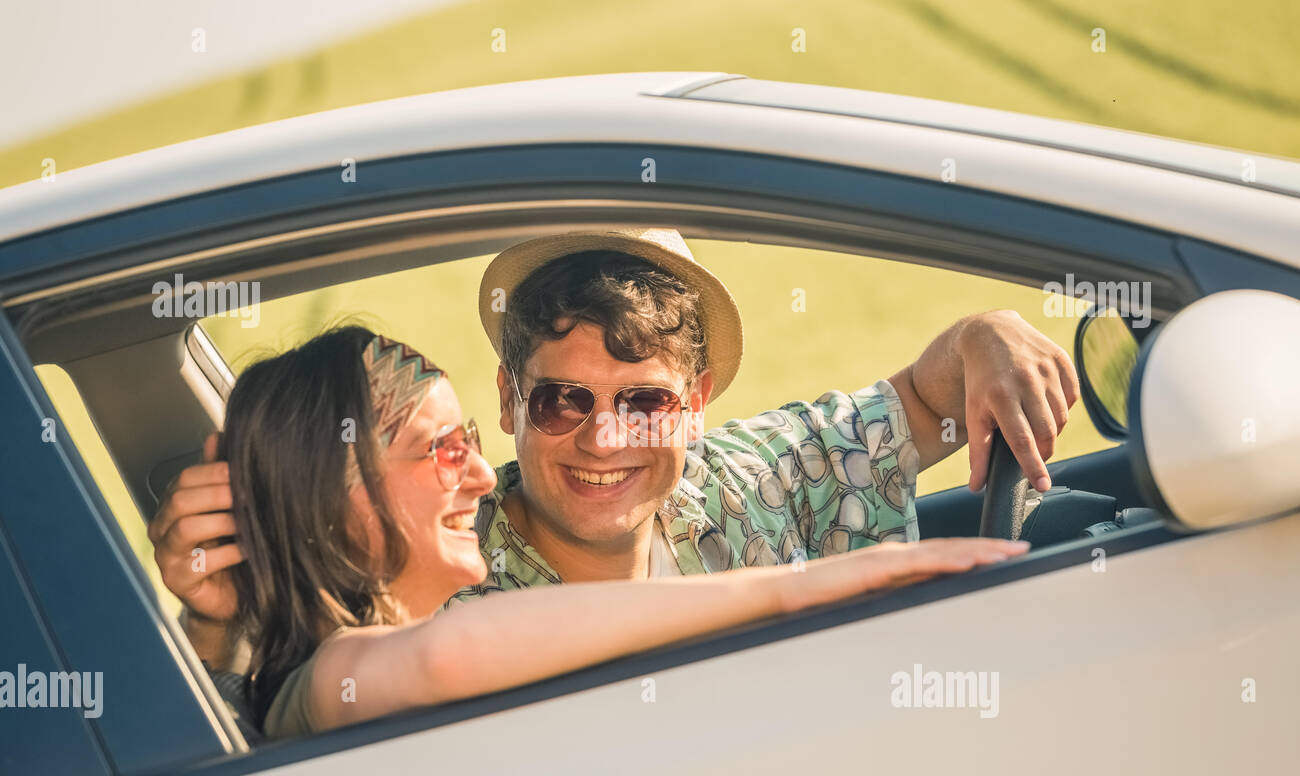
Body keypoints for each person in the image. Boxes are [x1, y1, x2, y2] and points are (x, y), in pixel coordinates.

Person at [153, 228, 1074, 665]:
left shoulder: (749, 478)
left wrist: (988, 336)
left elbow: (923, 398)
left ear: (699, 405)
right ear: (509, 396)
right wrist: (217, 622)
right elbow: (300, 696)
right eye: (560, 400)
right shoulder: (433, 572)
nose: (605, 437)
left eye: (645, 402)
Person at [178, 326, 1025, 737]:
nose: (479, 478)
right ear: (334, 493)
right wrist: (796, 589)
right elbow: (449, 657)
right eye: (439, 453)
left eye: (469, 442)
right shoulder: (333, 678)